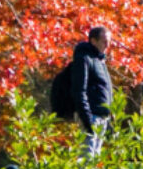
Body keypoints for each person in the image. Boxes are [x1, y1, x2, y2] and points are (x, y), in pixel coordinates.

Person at [49, 25, 114, 156]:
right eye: (104, 41)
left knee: (94, 159)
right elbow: (79, 90)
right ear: (93, 41)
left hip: (101, 117)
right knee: (87, 159)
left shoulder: (100, 60)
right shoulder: (84, 58)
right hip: (92, 116)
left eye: (109, 41)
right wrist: (87, 120)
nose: (107, 45)